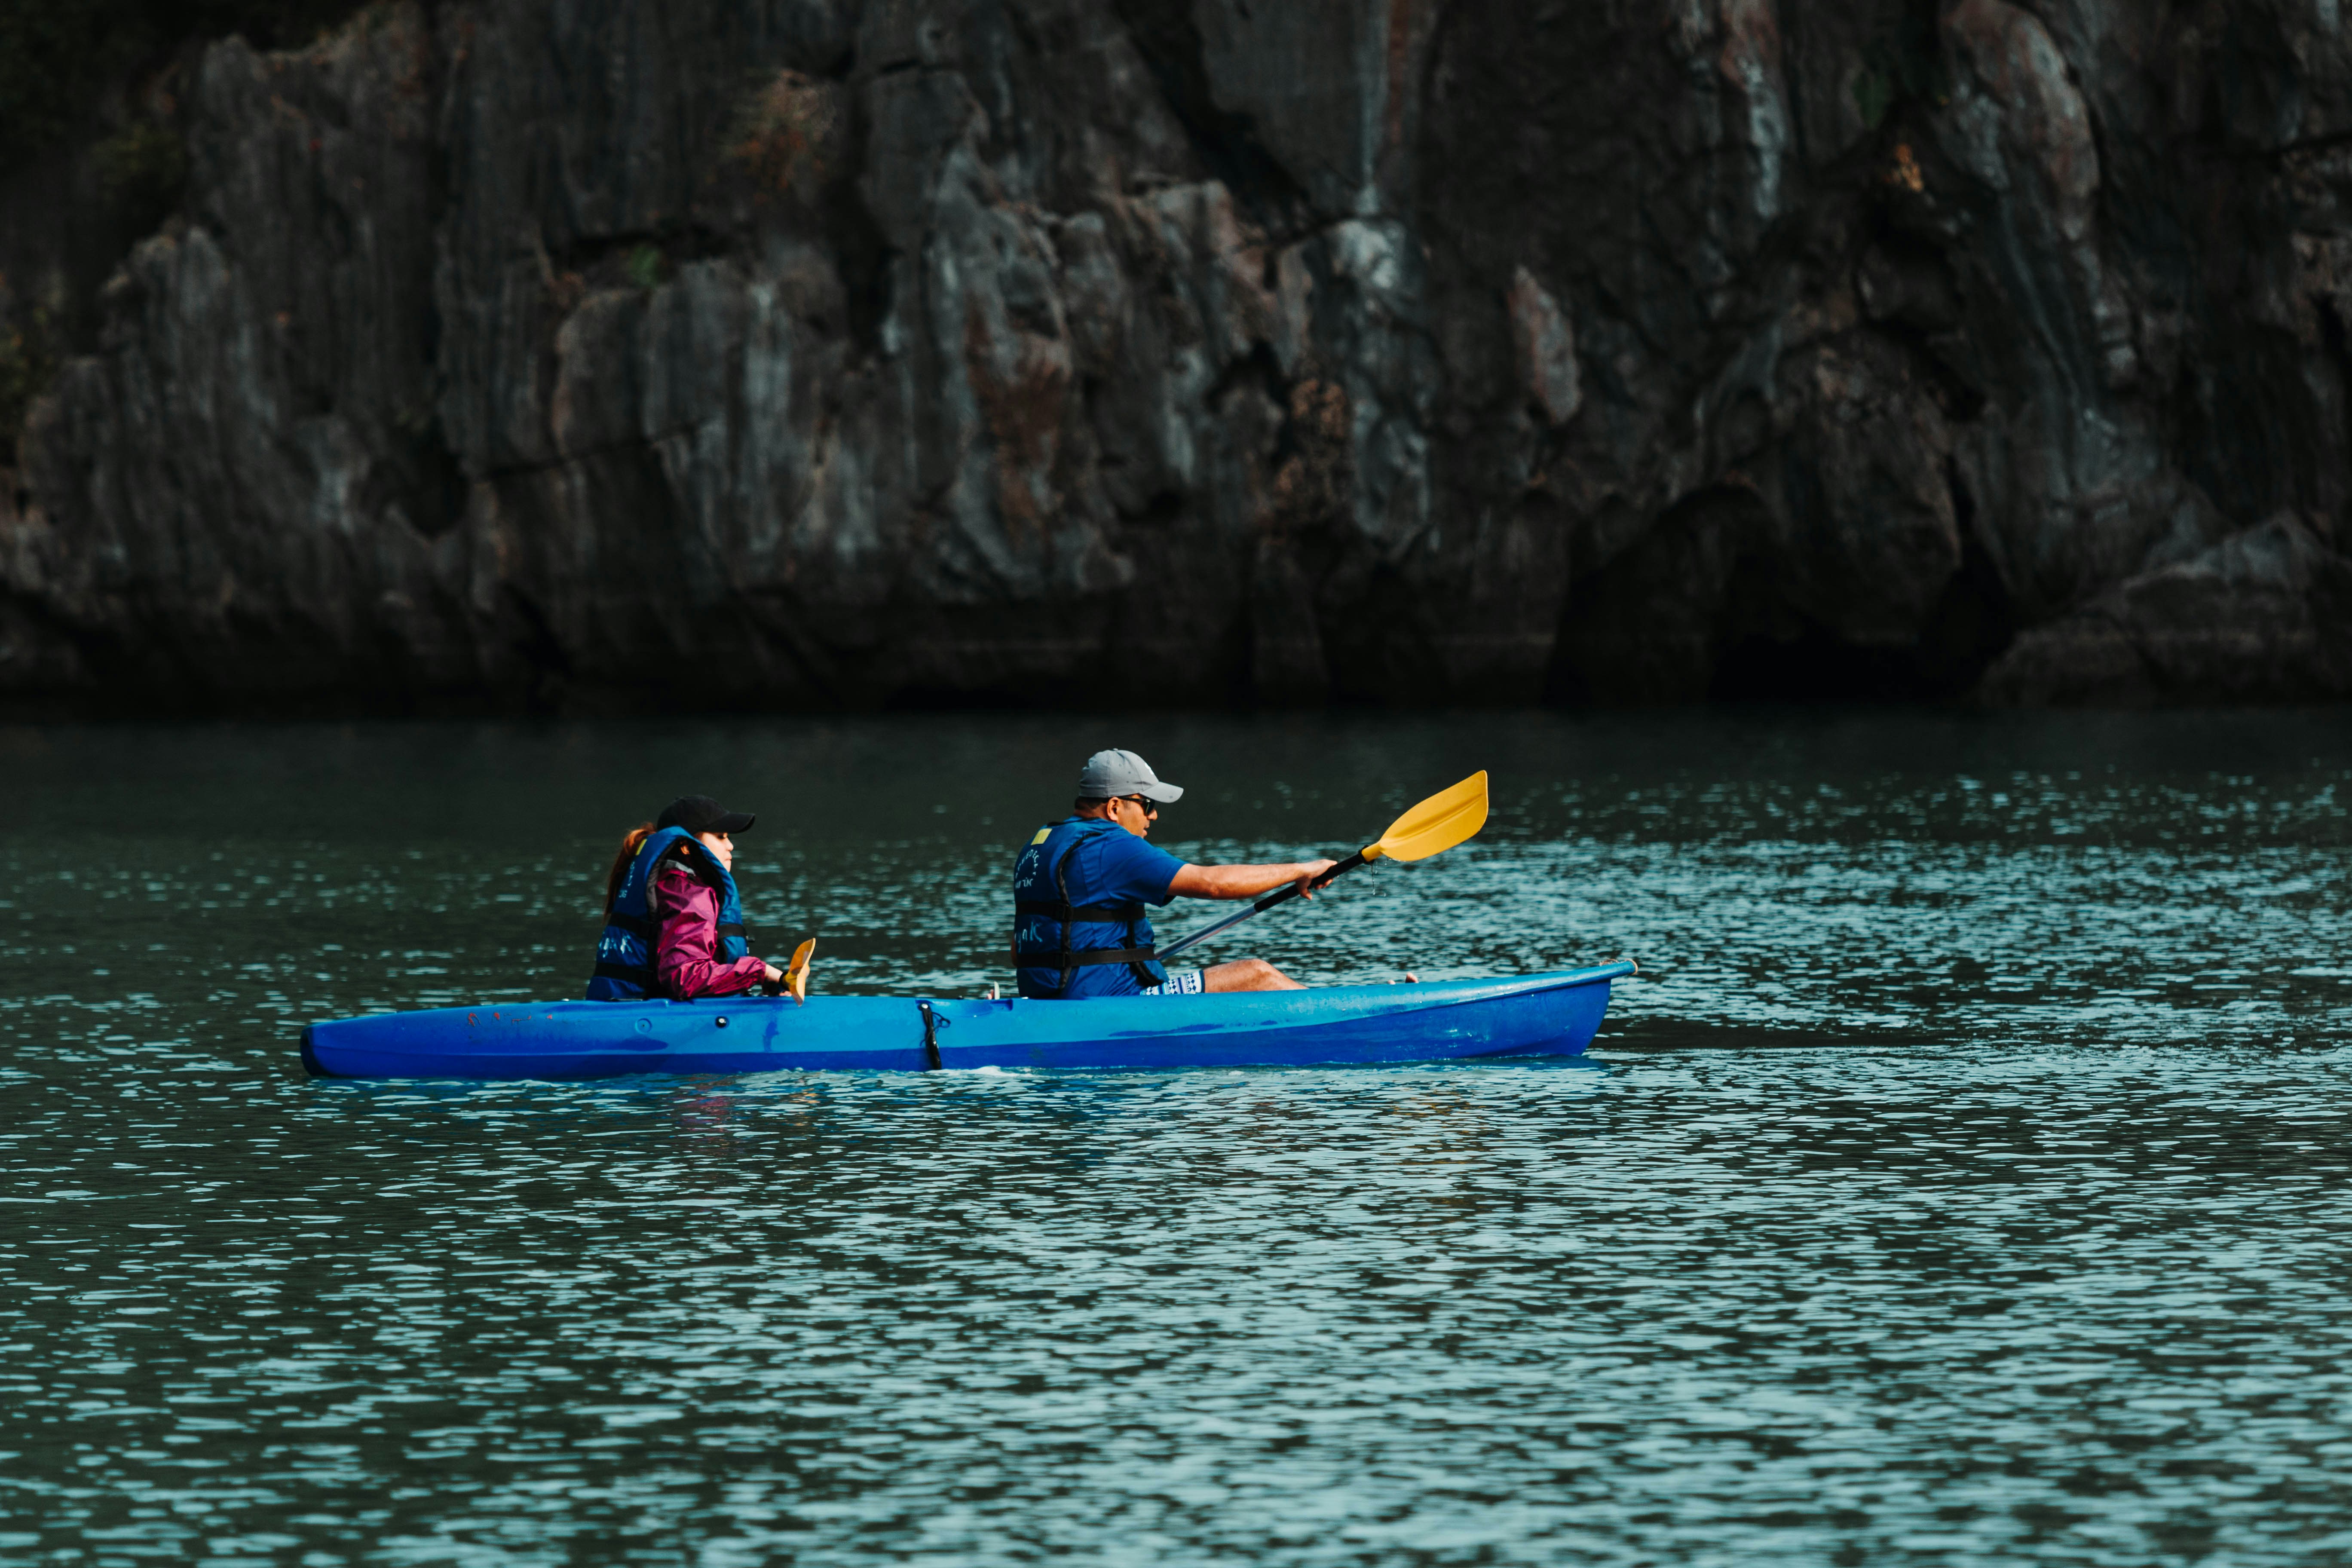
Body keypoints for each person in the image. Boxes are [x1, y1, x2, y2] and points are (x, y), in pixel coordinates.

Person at [1012, 749, 1336, 1000]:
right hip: (1113, 1004)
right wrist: (1302, 870)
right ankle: (1343, 1021)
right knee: (1256, 974)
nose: (1153, 815)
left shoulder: (1039, 846)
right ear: (1114, 808)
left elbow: (1020, 951)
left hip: (1050, 1001)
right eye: (1147, 803)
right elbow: (1213, 885)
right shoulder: (1111, 845)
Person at [587, 795, 788, 1001]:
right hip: (655, 1022)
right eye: (720, 836)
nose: (730, 846)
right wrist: (759, 972)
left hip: (620, 1010)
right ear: (686, 846)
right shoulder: (688, 896)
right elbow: (685, 977)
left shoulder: (667, 887)